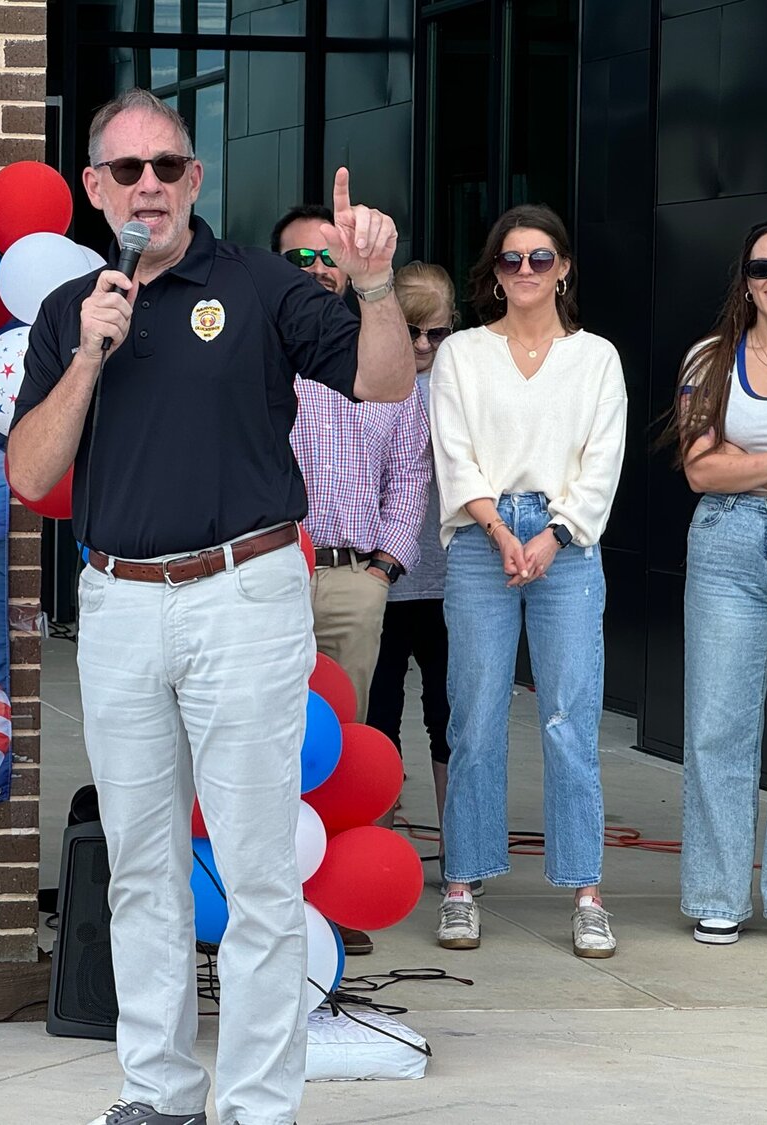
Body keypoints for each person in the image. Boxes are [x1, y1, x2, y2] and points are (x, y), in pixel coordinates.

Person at [9, 88, 413, 1125]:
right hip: (120, 601)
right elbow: (32, 472)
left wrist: (374, 288)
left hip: (244, 591)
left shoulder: (260, 285)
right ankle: (159, 1092)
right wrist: (91, 351)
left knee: (256, 867)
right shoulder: (69, 312)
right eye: (127, 169)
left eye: (168, 167)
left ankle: (257, 1107)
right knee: (141, 867)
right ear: (95, 187)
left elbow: (383, 384)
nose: (149, 185)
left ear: (195, 178)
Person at [430, 204, 627, 959]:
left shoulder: (596, 358)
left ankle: (586, 893)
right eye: (511, 259)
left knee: (569, 717)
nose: (525, 271)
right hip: (483, 539)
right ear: (494, 272)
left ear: (563, 268)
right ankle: (462, 884)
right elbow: (453, 452)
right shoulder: (462, 354)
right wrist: (501, 532)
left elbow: (602, 461)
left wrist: (552, 535)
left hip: (566, 543)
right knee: (475, 716)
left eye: (540, 258)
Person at [272, 209, 432, 958]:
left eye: (328, 255)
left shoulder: (382, 357)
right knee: (257, 737)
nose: (317, 268)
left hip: (350, 579)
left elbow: (410, 471)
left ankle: (330, 901)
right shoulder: (257, 350)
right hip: (267, 575)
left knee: (337, 745)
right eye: (299, 257)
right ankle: (262, 903)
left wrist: (384, 568)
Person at [664, 217, 767, 945]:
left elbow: (724, 458)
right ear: (746, 280)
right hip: (727, 541)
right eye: (763, 268)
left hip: (738, 512)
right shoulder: (711, 358)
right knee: (717, 722)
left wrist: (746, 456)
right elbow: (701, 468)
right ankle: (717, 894)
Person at [365, 262, 456, 849]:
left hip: (448, 578)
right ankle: (375, 845)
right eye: (411, 329)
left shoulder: (461, 381)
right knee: (378, 717)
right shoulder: (368, 375)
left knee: (449, 717)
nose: (422, 345)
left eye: (437, 333)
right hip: (381, 575)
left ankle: (458, 847)